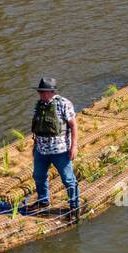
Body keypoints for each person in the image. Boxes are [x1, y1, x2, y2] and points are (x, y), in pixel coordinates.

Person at [28, 76, 80, 222]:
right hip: (41, 150)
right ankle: (43, 201)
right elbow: (38, 128)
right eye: (40, 92)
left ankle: (75, 206)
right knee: (38, 176)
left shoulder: (64, 104)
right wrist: (35, 146)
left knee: (68, 179)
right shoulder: (39, 105)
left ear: (51, 92)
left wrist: (73, 146)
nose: (41, 94)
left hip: (60, 151)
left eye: (44, 92)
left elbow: (73, 125)